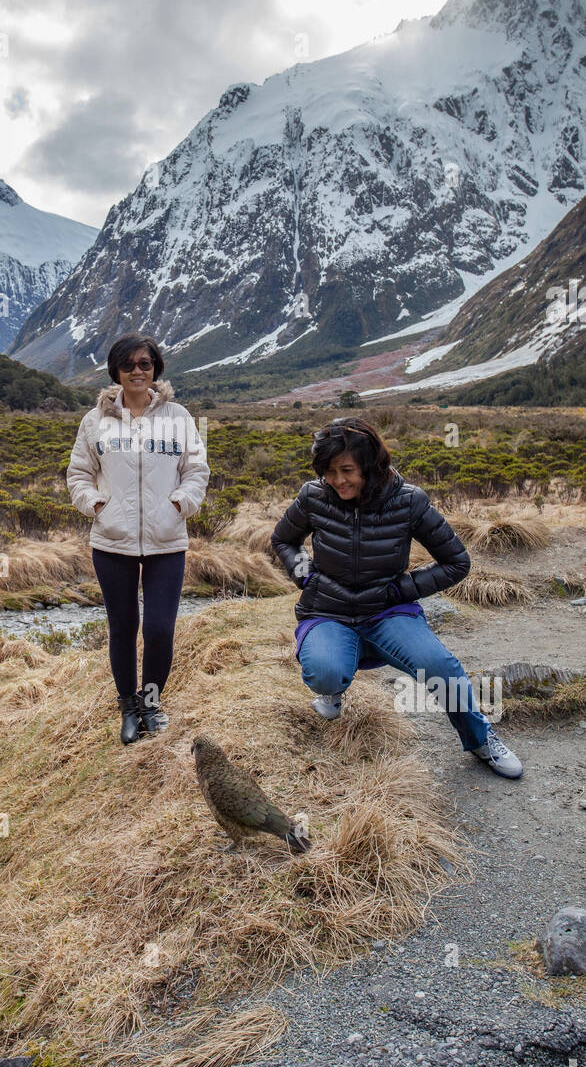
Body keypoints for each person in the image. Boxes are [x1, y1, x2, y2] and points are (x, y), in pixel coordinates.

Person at [271, 418, 523, 778]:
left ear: (371, 466)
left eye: (347, 470)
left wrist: (399, 591)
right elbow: (283, 539)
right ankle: (332, 689)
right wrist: (304, 575)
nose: (338, 481)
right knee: (326, 671)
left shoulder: (408, 501)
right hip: (328, 610)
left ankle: (481, 740)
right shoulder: (313, 496)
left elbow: (456, 562)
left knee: (439, 667)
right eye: (329, 471)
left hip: (387, 611)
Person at [67, 333, 210, 745]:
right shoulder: (95, 421)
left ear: (155, 369)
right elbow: (78, 474)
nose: (137, 371)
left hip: (167, 540)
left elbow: (196, 470)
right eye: (128, 364)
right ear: (115, 370)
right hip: (112, 542)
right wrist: (97, 506)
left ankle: (151, 704)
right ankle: (128, 708)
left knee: (161, 629)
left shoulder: (178, 417)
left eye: (145, 364)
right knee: (123, 626)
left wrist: (180, 504)